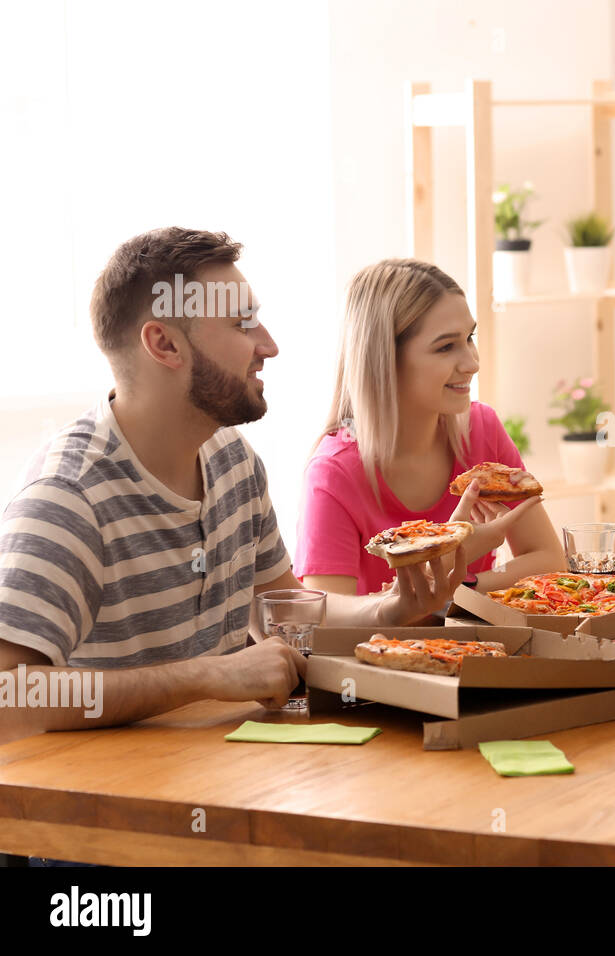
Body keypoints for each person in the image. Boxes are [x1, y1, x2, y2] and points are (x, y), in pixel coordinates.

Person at [0, 228, 465, 744]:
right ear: (165, 344)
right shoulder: (68, 497)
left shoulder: (231, 459)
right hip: (108, 812)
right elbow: (11, 697)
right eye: (243, 323)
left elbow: (282, 609)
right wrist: (207, 675)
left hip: (223, 780)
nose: (269, 345)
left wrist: (389, 609)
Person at [295, 259, 562, 598]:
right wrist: (451, 559)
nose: (472, 363)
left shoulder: (482, 431)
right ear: (386, 360)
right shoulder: (333, 474)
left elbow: (548, 561)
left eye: (469, 338)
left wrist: (464, 584)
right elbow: (327, 627)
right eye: (446, 346)